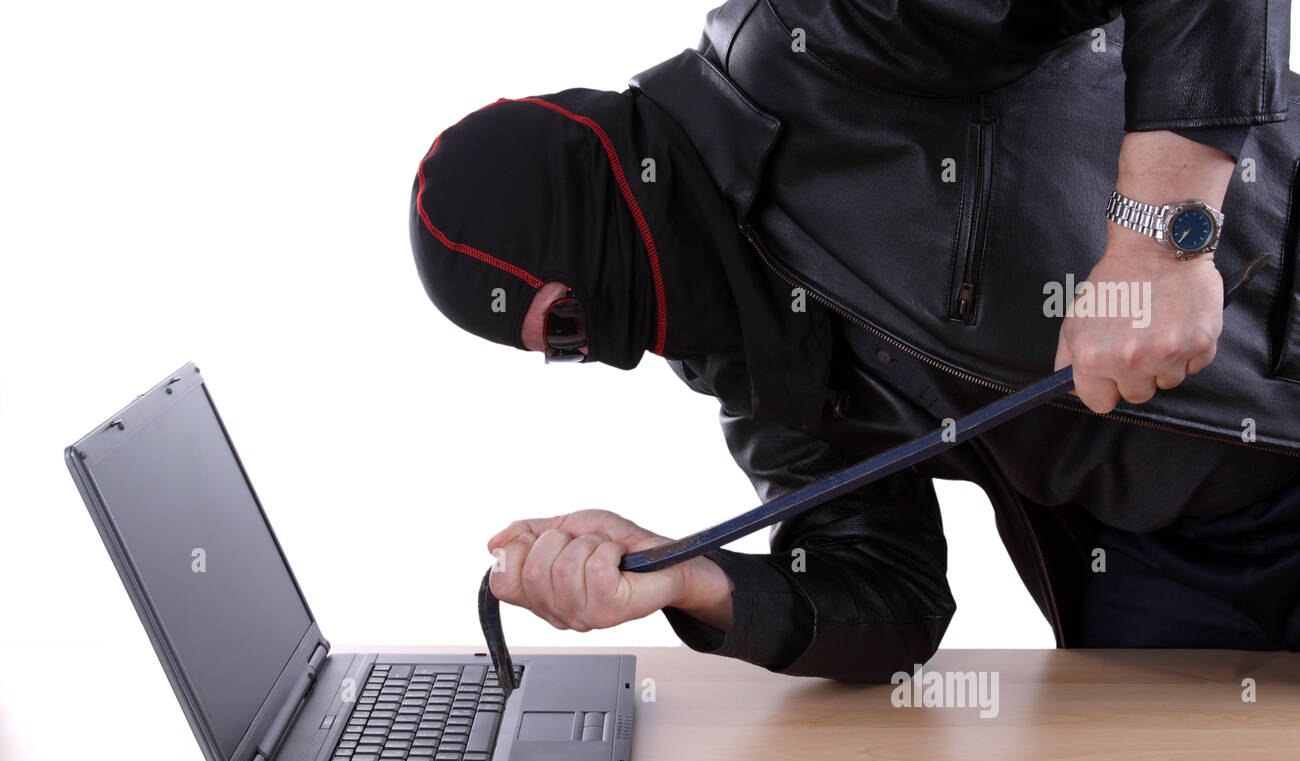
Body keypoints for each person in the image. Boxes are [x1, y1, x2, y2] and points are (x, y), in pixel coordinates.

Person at [410, 1, 1300, 681]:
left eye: (568, 322)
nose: (607, 353)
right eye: (563, 352)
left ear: (588, 197)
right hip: (1165, 556)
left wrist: (1158, 240)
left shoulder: (822, 39)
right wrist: (682, 578)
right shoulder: (743, 353)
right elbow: (891, 596)